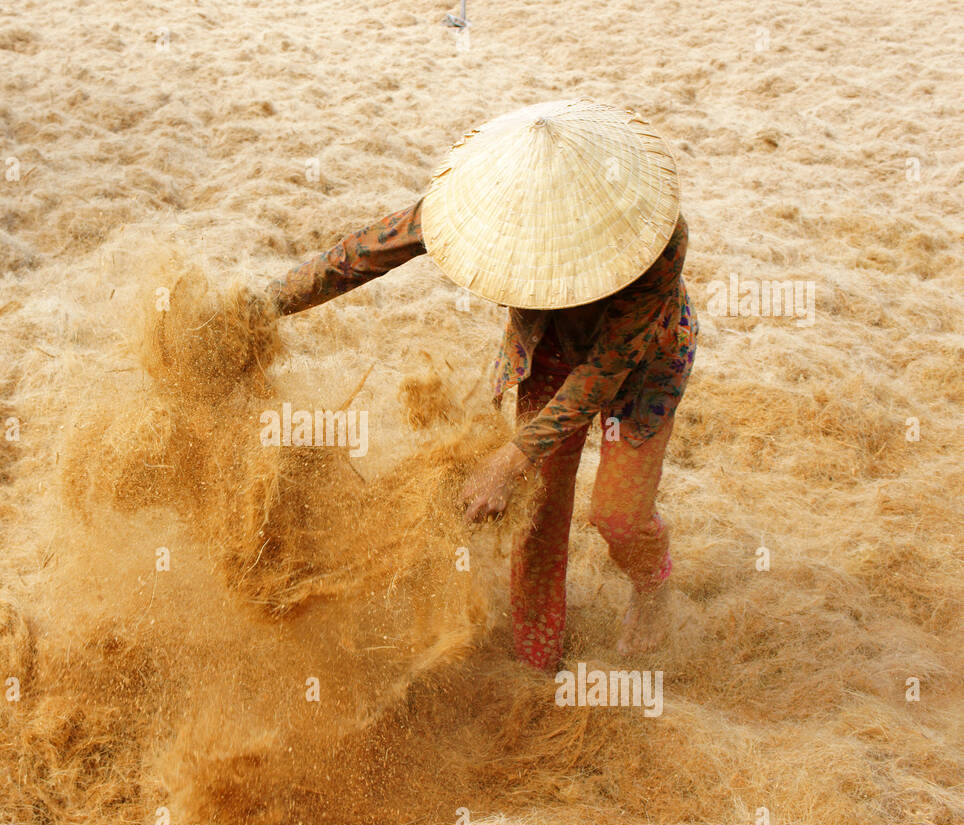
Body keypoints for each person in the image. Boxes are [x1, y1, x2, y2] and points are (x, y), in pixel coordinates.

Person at [259, 100, 698, 669]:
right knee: (537, 513)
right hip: (550, 348)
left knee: (619, 517)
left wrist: (507, 459)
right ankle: (536, 659)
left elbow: (603, 373)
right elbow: (359, 255)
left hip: (644, 362)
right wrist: (266, 303)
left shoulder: (657, 239)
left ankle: (652, 583)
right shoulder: (474, 205)